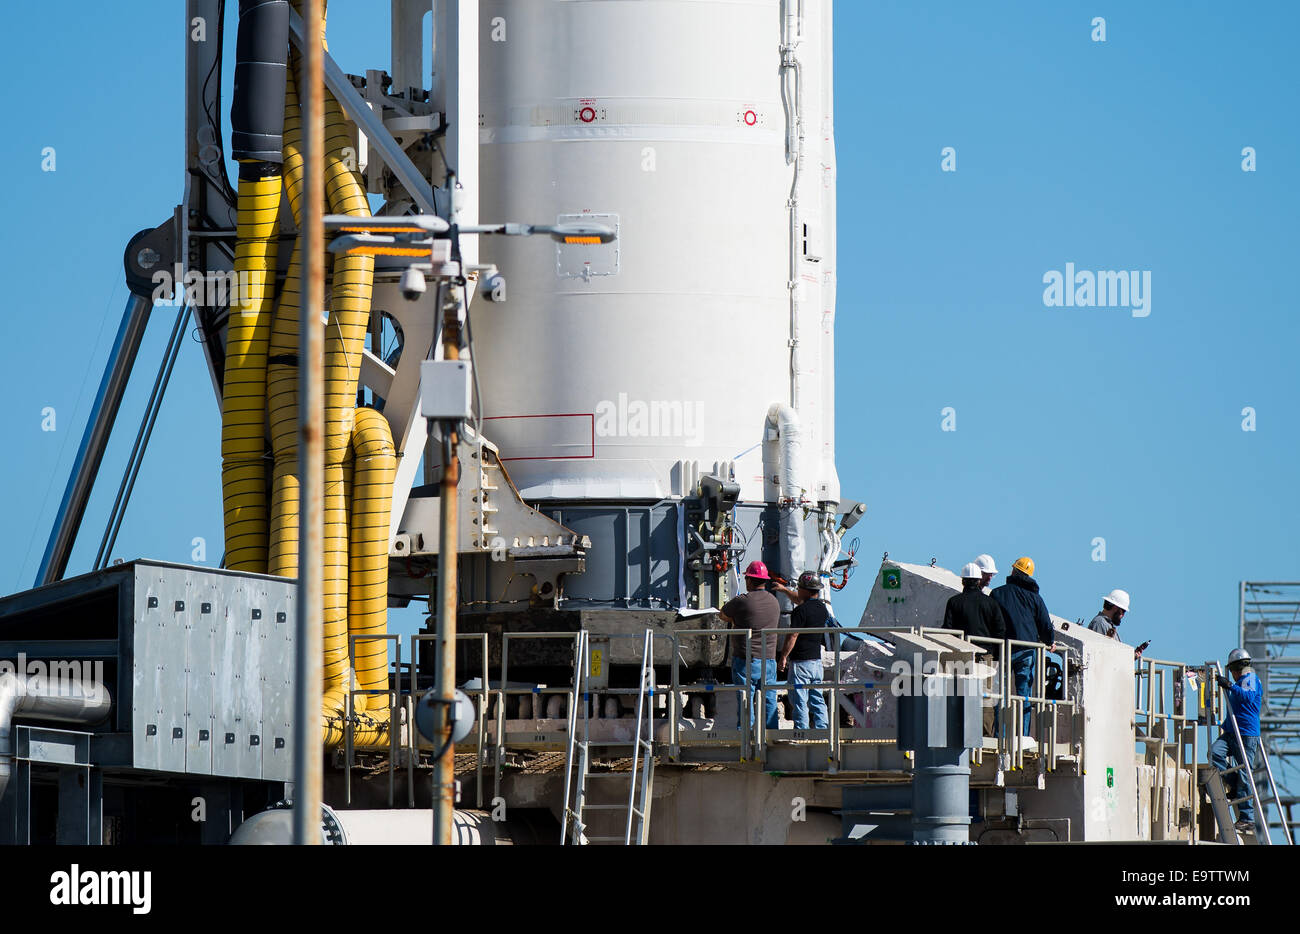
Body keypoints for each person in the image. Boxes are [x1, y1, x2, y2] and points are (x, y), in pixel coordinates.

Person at [990, 556, 1056, 736]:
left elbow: (992, 622)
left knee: (1001, 695)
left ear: (1014, 571)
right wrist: (1050, 641)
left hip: (1002, 649)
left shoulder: (997, 593)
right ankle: (1023, 736)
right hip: (1026, 650)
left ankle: (1000, 737)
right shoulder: (1035, 598)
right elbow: (1045, 625)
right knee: (1024, 695)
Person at [944, 562, 1009, 735]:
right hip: (985, 657)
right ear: (979, 579)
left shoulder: (954, 602)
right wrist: (994, 654)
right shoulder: (990, 603)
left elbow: (947, 630)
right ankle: (985, 733)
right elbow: (1000, 630)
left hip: (960, 656)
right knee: (985, 697)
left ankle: (958, 731)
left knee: (959, 693)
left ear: (963, 581)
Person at [718, 560, 782, 732]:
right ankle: (771, 735)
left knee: (746, 698)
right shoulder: (774, 602)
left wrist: (735, 620)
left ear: (750, 580)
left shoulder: (742, 601)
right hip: (769, 660)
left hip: (747, 660)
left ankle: (746, 735)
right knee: (769, 698)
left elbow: (722, 614)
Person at [1210, 648, 1264, 835]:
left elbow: (1248, 698)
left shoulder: (1250, 679)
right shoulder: (1241, 682)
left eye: (1232, 670)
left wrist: (1229, 686)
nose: (1231, 674)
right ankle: (1232, 784)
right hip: (1233, 733)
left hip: (1247, 735)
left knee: (1244, 773)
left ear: (1237, 668)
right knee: (1215, 752)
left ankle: (1247, 818)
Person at [776, 571, 830, 730]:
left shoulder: (800, 611)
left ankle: (802, 731)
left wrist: (783, 656)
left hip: (801, 664)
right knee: (817, 698)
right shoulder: (822, 609)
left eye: (799, 587)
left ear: (805, 590)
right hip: (816, 663)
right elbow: (800, 600)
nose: (798, 590)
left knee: (798, 699)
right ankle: (822, 729)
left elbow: (793, 635)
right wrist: (785, 590)